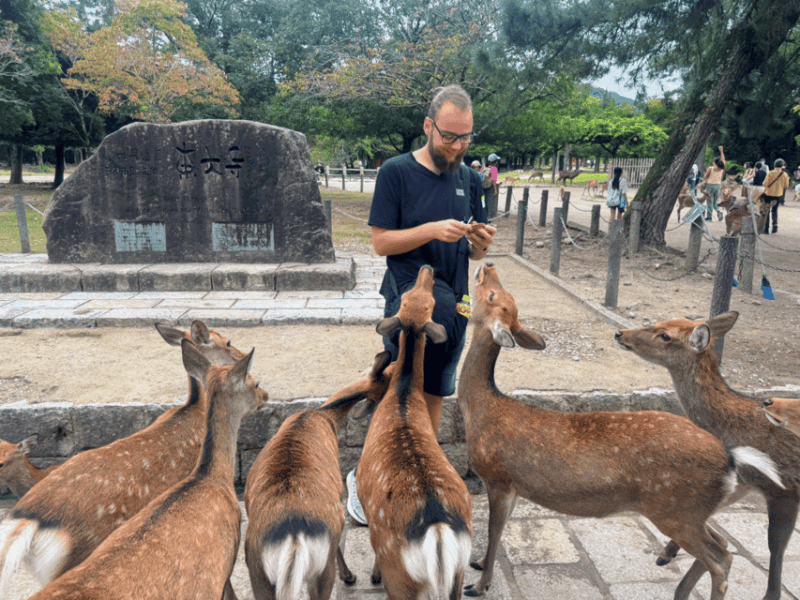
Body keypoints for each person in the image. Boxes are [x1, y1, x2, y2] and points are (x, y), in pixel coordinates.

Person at [346, 84, 496, 525]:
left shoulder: (470, 179)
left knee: (435, 391)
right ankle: (367, 479)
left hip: (456, 302)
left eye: (465, 137)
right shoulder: (395, 172)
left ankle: (419, 476)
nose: (457, 146)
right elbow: (379, 242)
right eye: (448, 136)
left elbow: (474, 251)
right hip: (409, 299)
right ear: (429, 126)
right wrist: (431, 229)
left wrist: (481, 246)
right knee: (398, 388)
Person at [762, 158, 790, 234]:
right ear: (782, 166)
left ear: (774, 165)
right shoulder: (785, 174)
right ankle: (775, 224)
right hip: (778, 194)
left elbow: (765, 184)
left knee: (767, 211)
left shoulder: (770, 173)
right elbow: (786, 185)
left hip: (769, 194)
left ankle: (766, 229)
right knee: (774, 210)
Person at [703, 145, 726, 222]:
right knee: (715, 201)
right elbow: (723, 160)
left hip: (710, 185)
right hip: (718, 186)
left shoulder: (711, 168)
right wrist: (721, 151)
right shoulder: (722, 168)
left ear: (714, 162)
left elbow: (705, 177)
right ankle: (719, 211)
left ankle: (709, 218)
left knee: (709, 202)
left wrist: (705, 176)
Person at [482, 153, 500, 219]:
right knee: (490, 202)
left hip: (483, 187)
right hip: (490, 188)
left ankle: (483, 215)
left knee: (484, 202)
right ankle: (489, 217)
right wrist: (495, 190)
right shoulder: (494, 169)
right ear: (495, 162)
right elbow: (494, 180)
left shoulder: (483, 168)